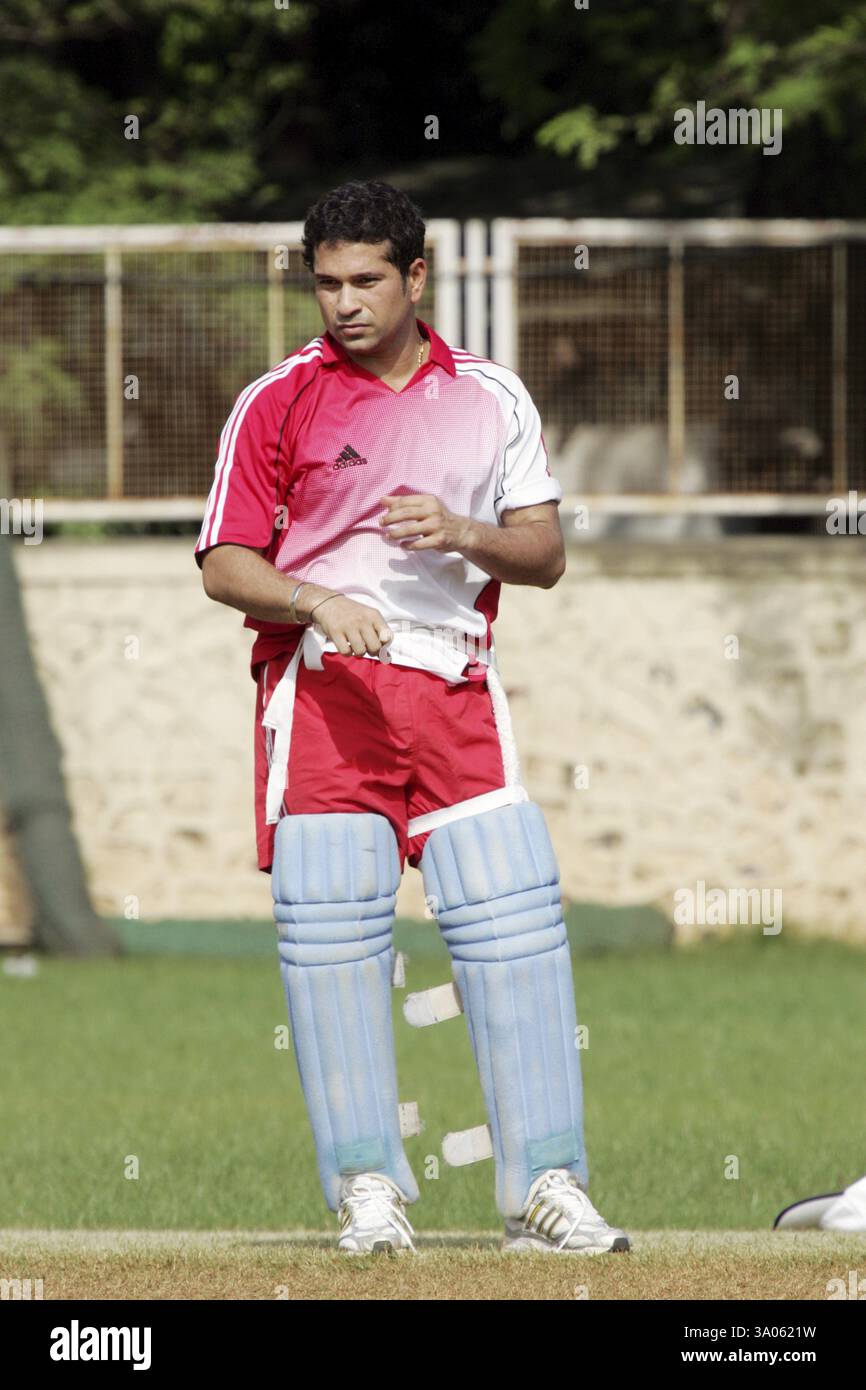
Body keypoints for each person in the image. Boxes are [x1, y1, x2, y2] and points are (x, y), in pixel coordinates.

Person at [196, 179, 629, 1257]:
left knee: (512, 925)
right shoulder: (275, 402)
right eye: (325, 282)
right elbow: (222, 561)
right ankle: (366, 1190)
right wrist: (316, 599)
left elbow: (544, 558)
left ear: (416, 275)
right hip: (327, 693)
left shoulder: (491, 396)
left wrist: (462, 531)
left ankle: (545, 1188)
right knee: (334, 934)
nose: (342, 302)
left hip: (454, 691)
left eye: (364, 280)